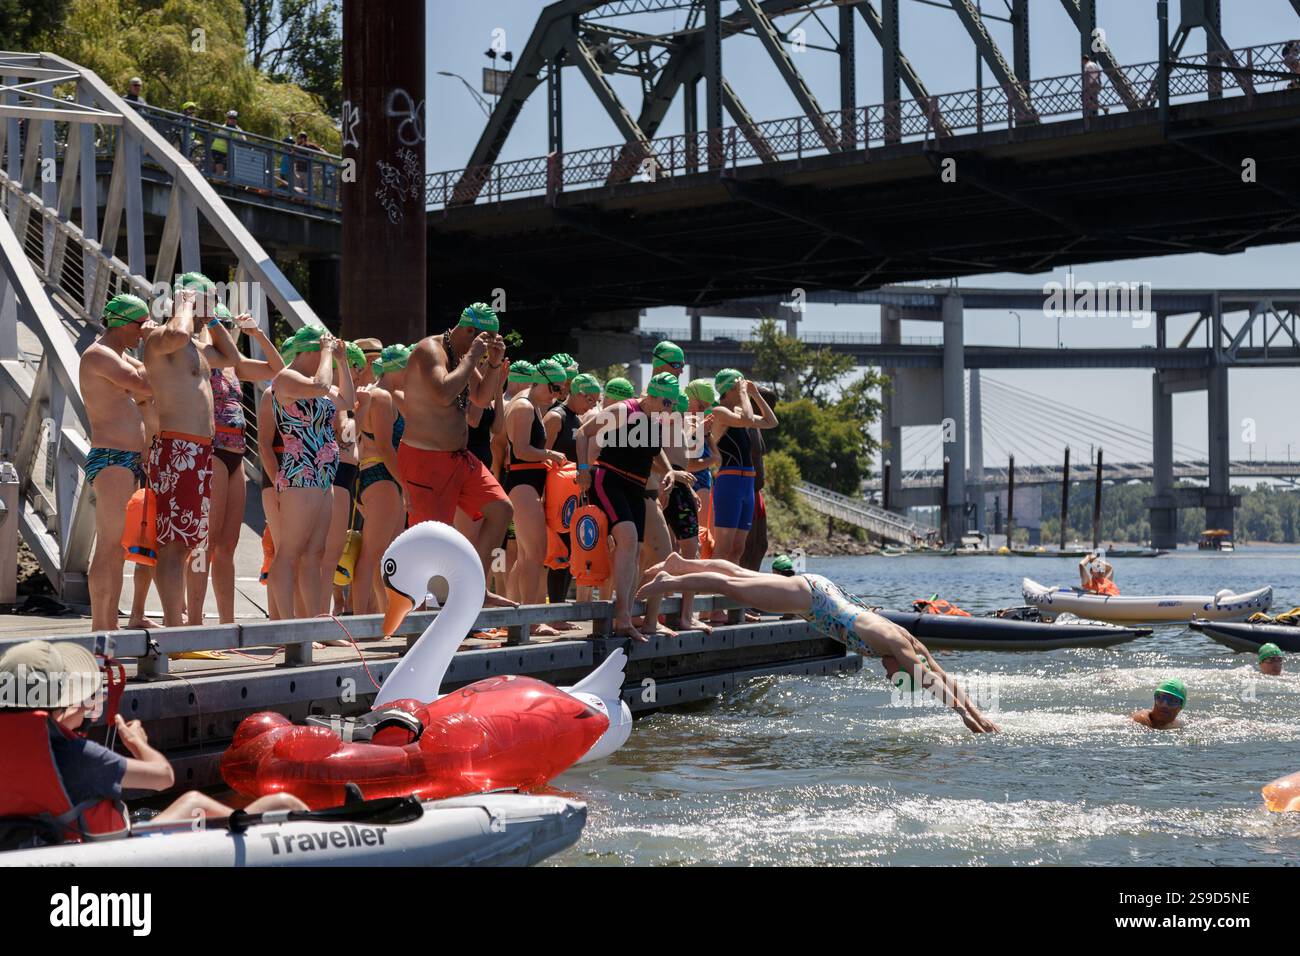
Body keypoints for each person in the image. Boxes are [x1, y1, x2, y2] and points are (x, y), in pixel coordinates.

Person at [636, 554, 999, 734]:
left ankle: (681, 563)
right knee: (732, 587)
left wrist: (977, 713)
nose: (891, 678)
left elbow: (941, 674)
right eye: (895, 677)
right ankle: (668, 581)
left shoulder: (910, 645)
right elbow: (929, 679)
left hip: (820, 591)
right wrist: (964, 715)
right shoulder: (897, 645)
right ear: (899, 664)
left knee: (740, 575)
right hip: (810, 599)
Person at [0, 640, 306, 845]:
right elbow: (163, 777)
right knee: (281, 802)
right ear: (60, 701)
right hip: (106, 852)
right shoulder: (81, 756)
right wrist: (138, 744)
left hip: (35, 848)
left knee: (195, 803)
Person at [139, 276, 239, 629]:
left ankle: (176, 627)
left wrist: (212, 319)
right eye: (202, 301)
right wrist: (185, 302)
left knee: (186, 543)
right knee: (172, 544)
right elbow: (177, 334)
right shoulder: (159, 340)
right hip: (176, 447)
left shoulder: (197, 346)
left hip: (199, 452)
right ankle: (174, 627)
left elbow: (232, 357)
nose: (203, 308)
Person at [397, 303, 514, 606]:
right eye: (487, 340)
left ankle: (475, 586)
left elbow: (480, 398)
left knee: (501, 509)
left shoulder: (464, 358)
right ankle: (420, 611)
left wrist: (492, 365)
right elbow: (443, 393)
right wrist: (475, 356)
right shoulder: (430, 350)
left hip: (458, 459)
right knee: (433, 540)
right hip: (425, 459)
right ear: (471, 331)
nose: (487, 346)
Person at [185, 304, 284, 626]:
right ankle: (195, 622)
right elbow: (196, 344)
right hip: (210, 450)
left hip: (236, 452)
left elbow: (277, 369)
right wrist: (205, 321)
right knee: (204, 543)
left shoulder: (232, 365)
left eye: (227, 323)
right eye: (219, 323)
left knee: (227, 545)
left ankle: (226, 625)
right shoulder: (196, 353)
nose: (225, 329)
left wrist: (257, 334)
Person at [578, 373, 692, 641]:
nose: (670, 409)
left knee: (636, 548)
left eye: (672, 405)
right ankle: (623, 617)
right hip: (609, 480)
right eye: (666, 402)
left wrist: (670, 472)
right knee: (628, 539)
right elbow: (584, 432)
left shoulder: (655, 420)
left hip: (636, 487)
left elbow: (655, 451)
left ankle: (625, 615)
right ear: (652, 395)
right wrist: (583, 469)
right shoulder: (623, 410)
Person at [79, 294, 159, 632]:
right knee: (108, 544)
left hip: (128, 461)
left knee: (120, 550)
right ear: (123, 323)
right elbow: (148, 384)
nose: (144, 333)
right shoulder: (99, 355)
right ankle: (100, 627)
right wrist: (159, 345)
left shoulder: (122, 357)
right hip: (111, 458)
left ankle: (111, 624)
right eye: (141, 325)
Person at [266, 326, 355, 620]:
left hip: (322, 476)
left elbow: (347, 401)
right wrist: (328, 352)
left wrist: (341, 360)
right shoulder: (288, 378)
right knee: (289, 551)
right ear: (308, 351)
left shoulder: (316, 381)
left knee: (315, 554)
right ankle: (288, 626)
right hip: (299, 474)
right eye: (320, 351)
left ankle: (314, 624)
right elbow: (320, 386)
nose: (324, 357)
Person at [503, 359, 570, 634]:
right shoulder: (523, 407)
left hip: (528, 484)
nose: (556, 395)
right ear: (540, 380)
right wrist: (549, 455)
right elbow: (519, 450)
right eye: (553, 388)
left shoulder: (532, 405)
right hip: (522, 485)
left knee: (528, 555)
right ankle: (529, 620)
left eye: (559, 390)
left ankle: (519, 614)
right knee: (536, 553)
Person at [543, 364, 599, 610]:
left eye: (596, 400)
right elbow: (540, 457)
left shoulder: (578, 420)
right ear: (576, 393)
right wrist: (543, 496)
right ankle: (552, 611)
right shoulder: (556, 417)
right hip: (553, 496)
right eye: (590, 399)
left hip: (571, 496)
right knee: (556, 553)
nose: (593, 405)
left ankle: (558, 610)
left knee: (569, 550)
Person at [710, 369, 778, 569]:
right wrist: (743, 394)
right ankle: (707, 587)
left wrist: (755, 394)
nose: (744, 391)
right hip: (729, 482)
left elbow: (771, 422)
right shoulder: (719, 412)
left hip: (747, 484)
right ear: (730, 389)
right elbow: (748, 419)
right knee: (723, 547)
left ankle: (728, 589)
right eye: (739, 387)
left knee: (739, 548)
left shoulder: (740, 414)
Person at [319, 341, 366, 615]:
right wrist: (361, 413)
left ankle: (325, 614)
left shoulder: (341, 398)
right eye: (353, 367)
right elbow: (345, 437)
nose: (357, 374)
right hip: (336, 475)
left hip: (346, 475)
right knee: (327, 554)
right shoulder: (333, 397)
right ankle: (324, 616)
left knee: (332, 553)